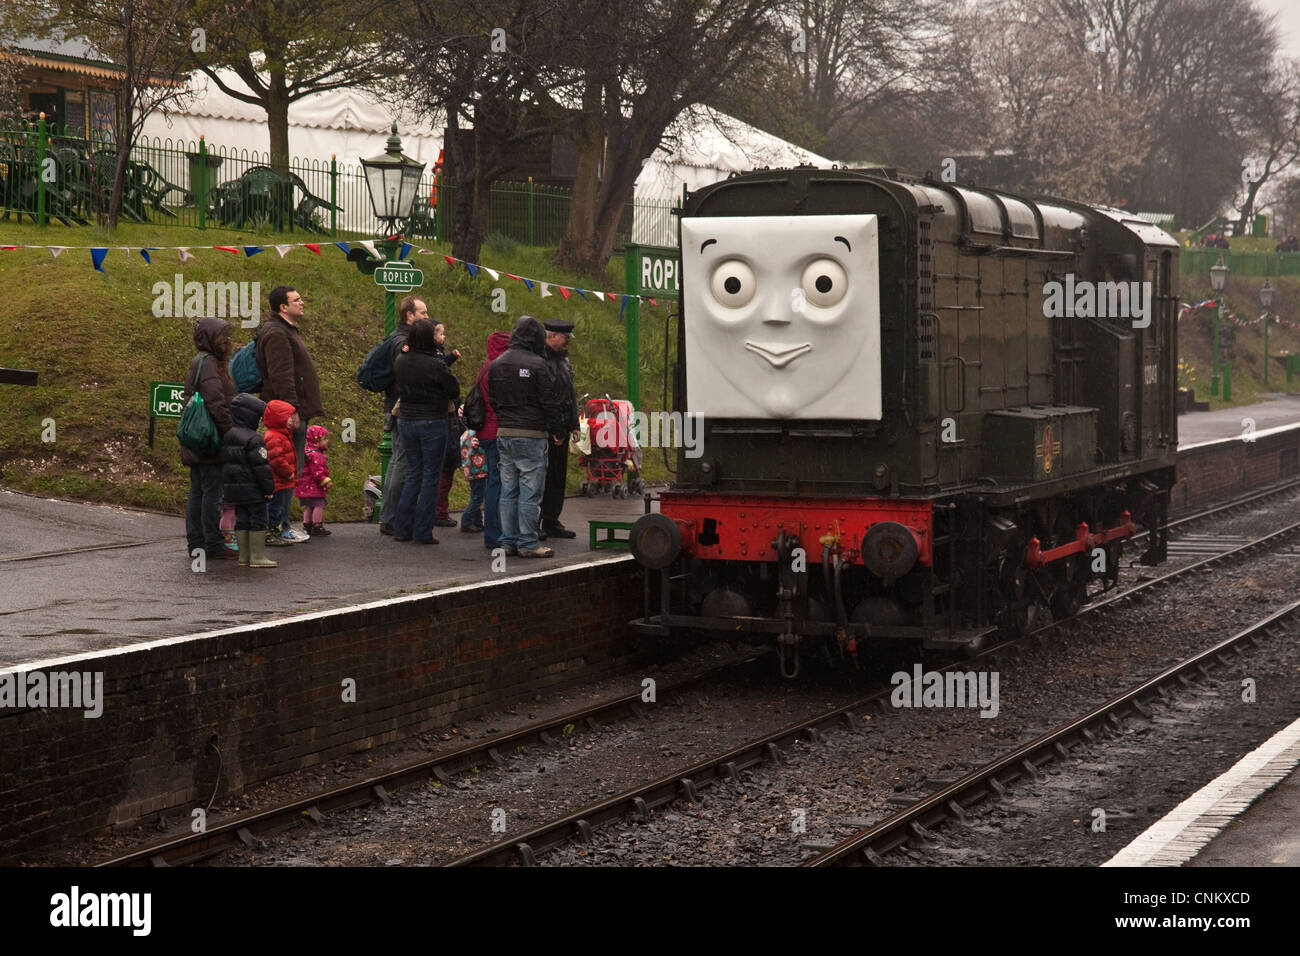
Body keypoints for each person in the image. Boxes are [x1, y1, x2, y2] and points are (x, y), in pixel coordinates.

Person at [488, 315, 566, 558]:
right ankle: (529, 543)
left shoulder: (497, 363)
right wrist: (557, 431)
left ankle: (508, 541)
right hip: (531, 433)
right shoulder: (538, 364)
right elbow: (549, 402)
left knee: (508, 490)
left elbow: (493, 399)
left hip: (505, 432)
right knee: (530, 492)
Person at [257, 285, 322, 538]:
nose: (302, 302)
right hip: (289, 415)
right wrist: (291, 411)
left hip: (293, 412)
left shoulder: (285, 331)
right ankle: (278, 525)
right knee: (285, 471)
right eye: (297, 300)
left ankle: (281, 523)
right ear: (283, 307)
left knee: (289, 470)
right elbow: (281, 375)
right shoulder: (277, 334)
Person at [392, 319, 460, 544]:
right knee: (431, 477)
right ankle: (422, 531)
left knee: (414, 473)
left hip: (406, 420)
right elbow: (453, 388)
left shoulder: (401, 360)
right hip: (432, 420)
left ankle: (402, 529)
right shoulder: (435, 364)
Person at [182, 317, 237, 560]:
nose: (227, 342)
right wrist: (230, 431)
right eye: (223, 338)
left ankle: (197, 543)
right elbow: (216, 401)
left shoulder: (200, 361)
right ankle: (212, 543)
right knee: (210, 492)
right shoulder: (209, 363)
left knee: (198, 490)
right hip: (209, 437)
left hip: (197, 436)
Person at [379, 295, 426, 535]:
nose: (427, 317)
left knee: (399, 462)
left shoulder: (398, 338)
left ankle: (391, 515)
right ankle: (391, 518)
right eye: (422, 313)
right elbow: (406, 375)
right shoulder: (403, 342)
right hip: (401, 407)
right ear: (409, 315)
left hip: (398, 405)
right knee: (402, 463)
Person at [221, 393, 277, 568]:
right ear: (251, 416)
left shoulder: (228, 435)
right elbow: (261, 467)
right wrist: (268, 488)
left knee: (242, 519)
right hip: (254, 490)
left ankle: (244, 556)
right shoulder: (254, 439)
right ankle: (258, 556)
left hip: (234, 489)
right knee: (258, 519)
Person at [539, 319, 582, 540]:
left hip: (562, 427)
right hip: (545, 428)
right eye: (565, 339)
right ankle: (535, 520)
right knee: (541, 476)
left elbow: (569, 394)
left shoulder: (563, 360)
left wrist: (573, 423)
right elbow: (546, 398)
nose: (567, 343)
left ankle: (551, 519)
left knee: (558, 476)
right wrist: (553, 428)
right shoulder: (539, 359)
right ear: (553, 336)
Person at [472, 331, 511, 549]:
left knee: (493, 481)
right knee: (498, 482)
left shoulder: (486, 367)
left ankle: (494, 532)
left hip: (485, 432)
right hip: (496, 431)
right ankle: (495, 533)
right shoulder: (500, 369)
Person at [432, 321, 462, 529]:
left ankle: (437, 510)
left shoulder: (436, 357)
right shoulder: (435, 359)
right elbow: (450, 386)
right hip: (443, 419)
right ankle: (439, 512)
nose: (444, 337)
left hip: (444, 419)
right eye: (441, 334)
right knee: (444, 471)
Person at [262, 400, 300, 546]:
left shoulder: (283, 434)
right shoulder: (275, 436)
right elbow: (276, 459)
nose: (292, 419)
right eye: (289, 416)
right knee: (275, 507)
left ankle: (275, 531)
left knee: (280, 506)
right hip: (279, 480)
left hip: (283, 481)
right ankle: (270, 533)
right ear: (279, 418)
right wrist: (288, 472)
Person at [295, 424, 333, 537]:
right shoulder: (317, 455)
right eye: (324, 439)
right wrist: (326, 481)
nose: (327, 441)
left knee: (309, 506)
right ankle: (317, 525)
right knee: (319, 504)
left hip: (304, 486)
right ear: (316, 441)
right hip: (314, 486)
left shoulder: (306, 452)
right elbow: (317, 473)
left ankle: (307, 525)